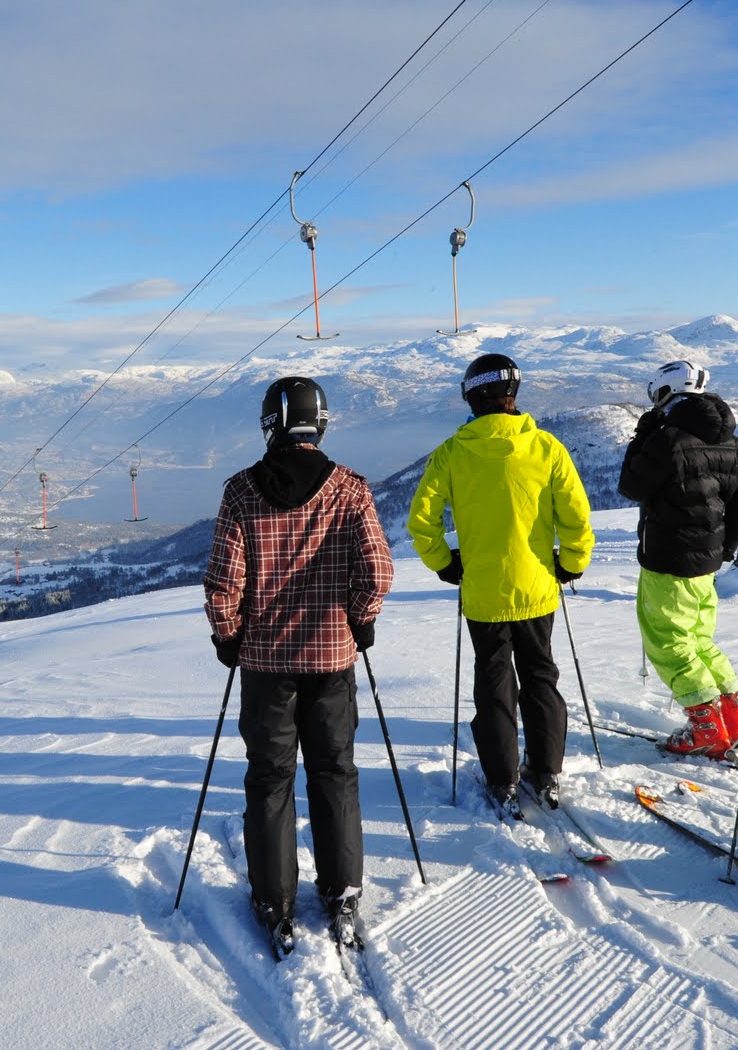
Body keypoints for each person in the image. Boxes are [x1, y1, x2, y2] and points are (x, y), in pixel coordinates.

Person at [203, 375, 395, 958]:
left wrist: (228, 636)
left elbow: (222, 583)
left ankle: (274, 900)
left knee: (270, 778)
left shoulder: (241, 491)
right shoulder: (349, 490)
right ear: (322, 422)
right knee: (335, 773)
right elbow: (378, 572)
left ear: (270, 426)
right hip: (332, 658)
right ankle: (343, 893)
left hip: (265, 665)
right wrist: (359, 621)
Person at [406, 353, 594, 816]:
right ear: (514, 395)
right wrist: (571, 563)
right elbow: (575, 515)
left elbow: (421, 521)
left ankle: (501, 776)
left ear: (471, 396)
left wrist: (444, 563)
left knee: (493, 683)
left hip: (484, 592)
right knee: (540, 677)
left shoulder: (453, 452)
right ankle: (546, 769)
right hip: (537, 587)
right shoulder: (547, 448)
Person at [618, 359, 738, 759]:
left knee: (668, 642)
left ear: (666, 394)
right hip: (706, 565)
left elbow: (631, 486)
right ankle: (730, 721)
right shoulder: (730, 440)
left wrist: (642, 438)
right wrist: (724, 548)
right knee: (698, 639)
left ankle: (705, 729)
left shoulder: (669, 439)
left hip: (668, 560)